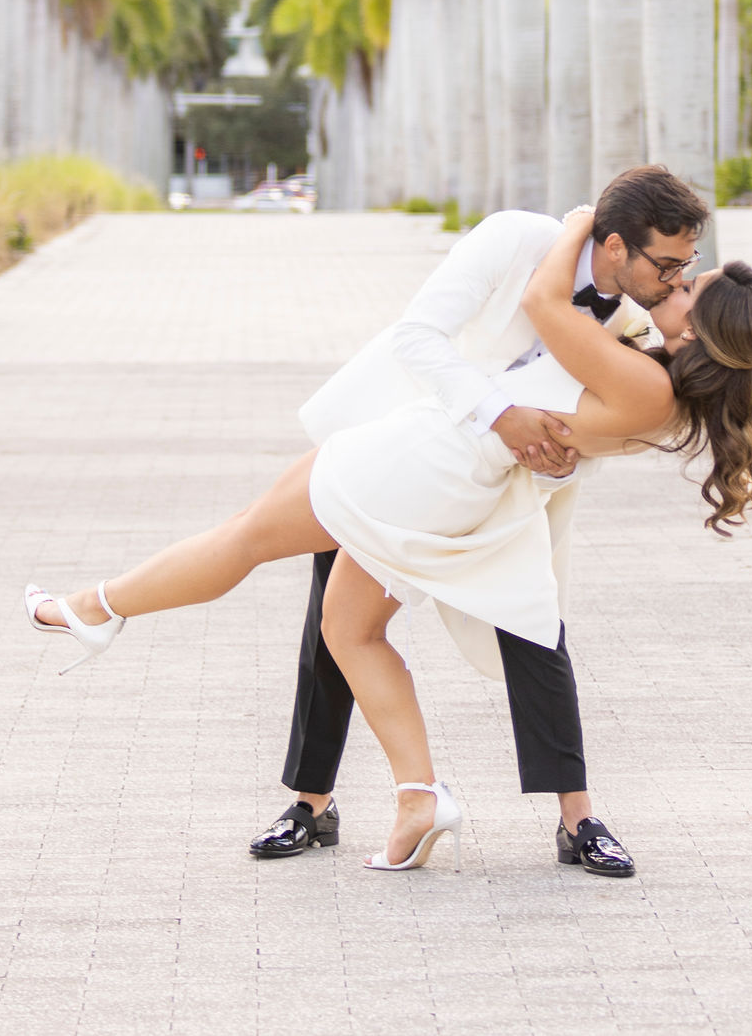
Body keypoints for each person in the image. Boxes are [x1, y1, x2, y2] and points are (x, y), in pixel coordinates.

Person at [24, 193, 752, 874]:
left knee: (246, 536)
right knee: (348, 628)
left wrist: (583, 218)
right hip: (450, 471)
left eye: (687, 287)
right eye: (676, 271)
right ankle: (416, 798)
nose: (678, 281)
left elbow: (544, 303)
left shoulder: (643, 373)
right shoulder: (657, 377)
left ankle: (98, 607)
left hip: (427, 457)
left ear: (699, 333)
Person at [252, 164, 709, 879]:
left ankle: (578, 818)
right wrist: (498, 414)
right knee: (333, 613)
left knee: (535, 623)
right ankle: (312, 802)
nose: (677, 277)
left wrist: (560, 461)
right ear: (618, 245)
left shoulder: (639, 316)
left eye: (686, 266)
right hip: (403, 443)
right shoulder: (518, 239)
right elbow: (417, 336)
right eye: (670, 263)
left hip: (509, 486)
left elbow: (595, 424)